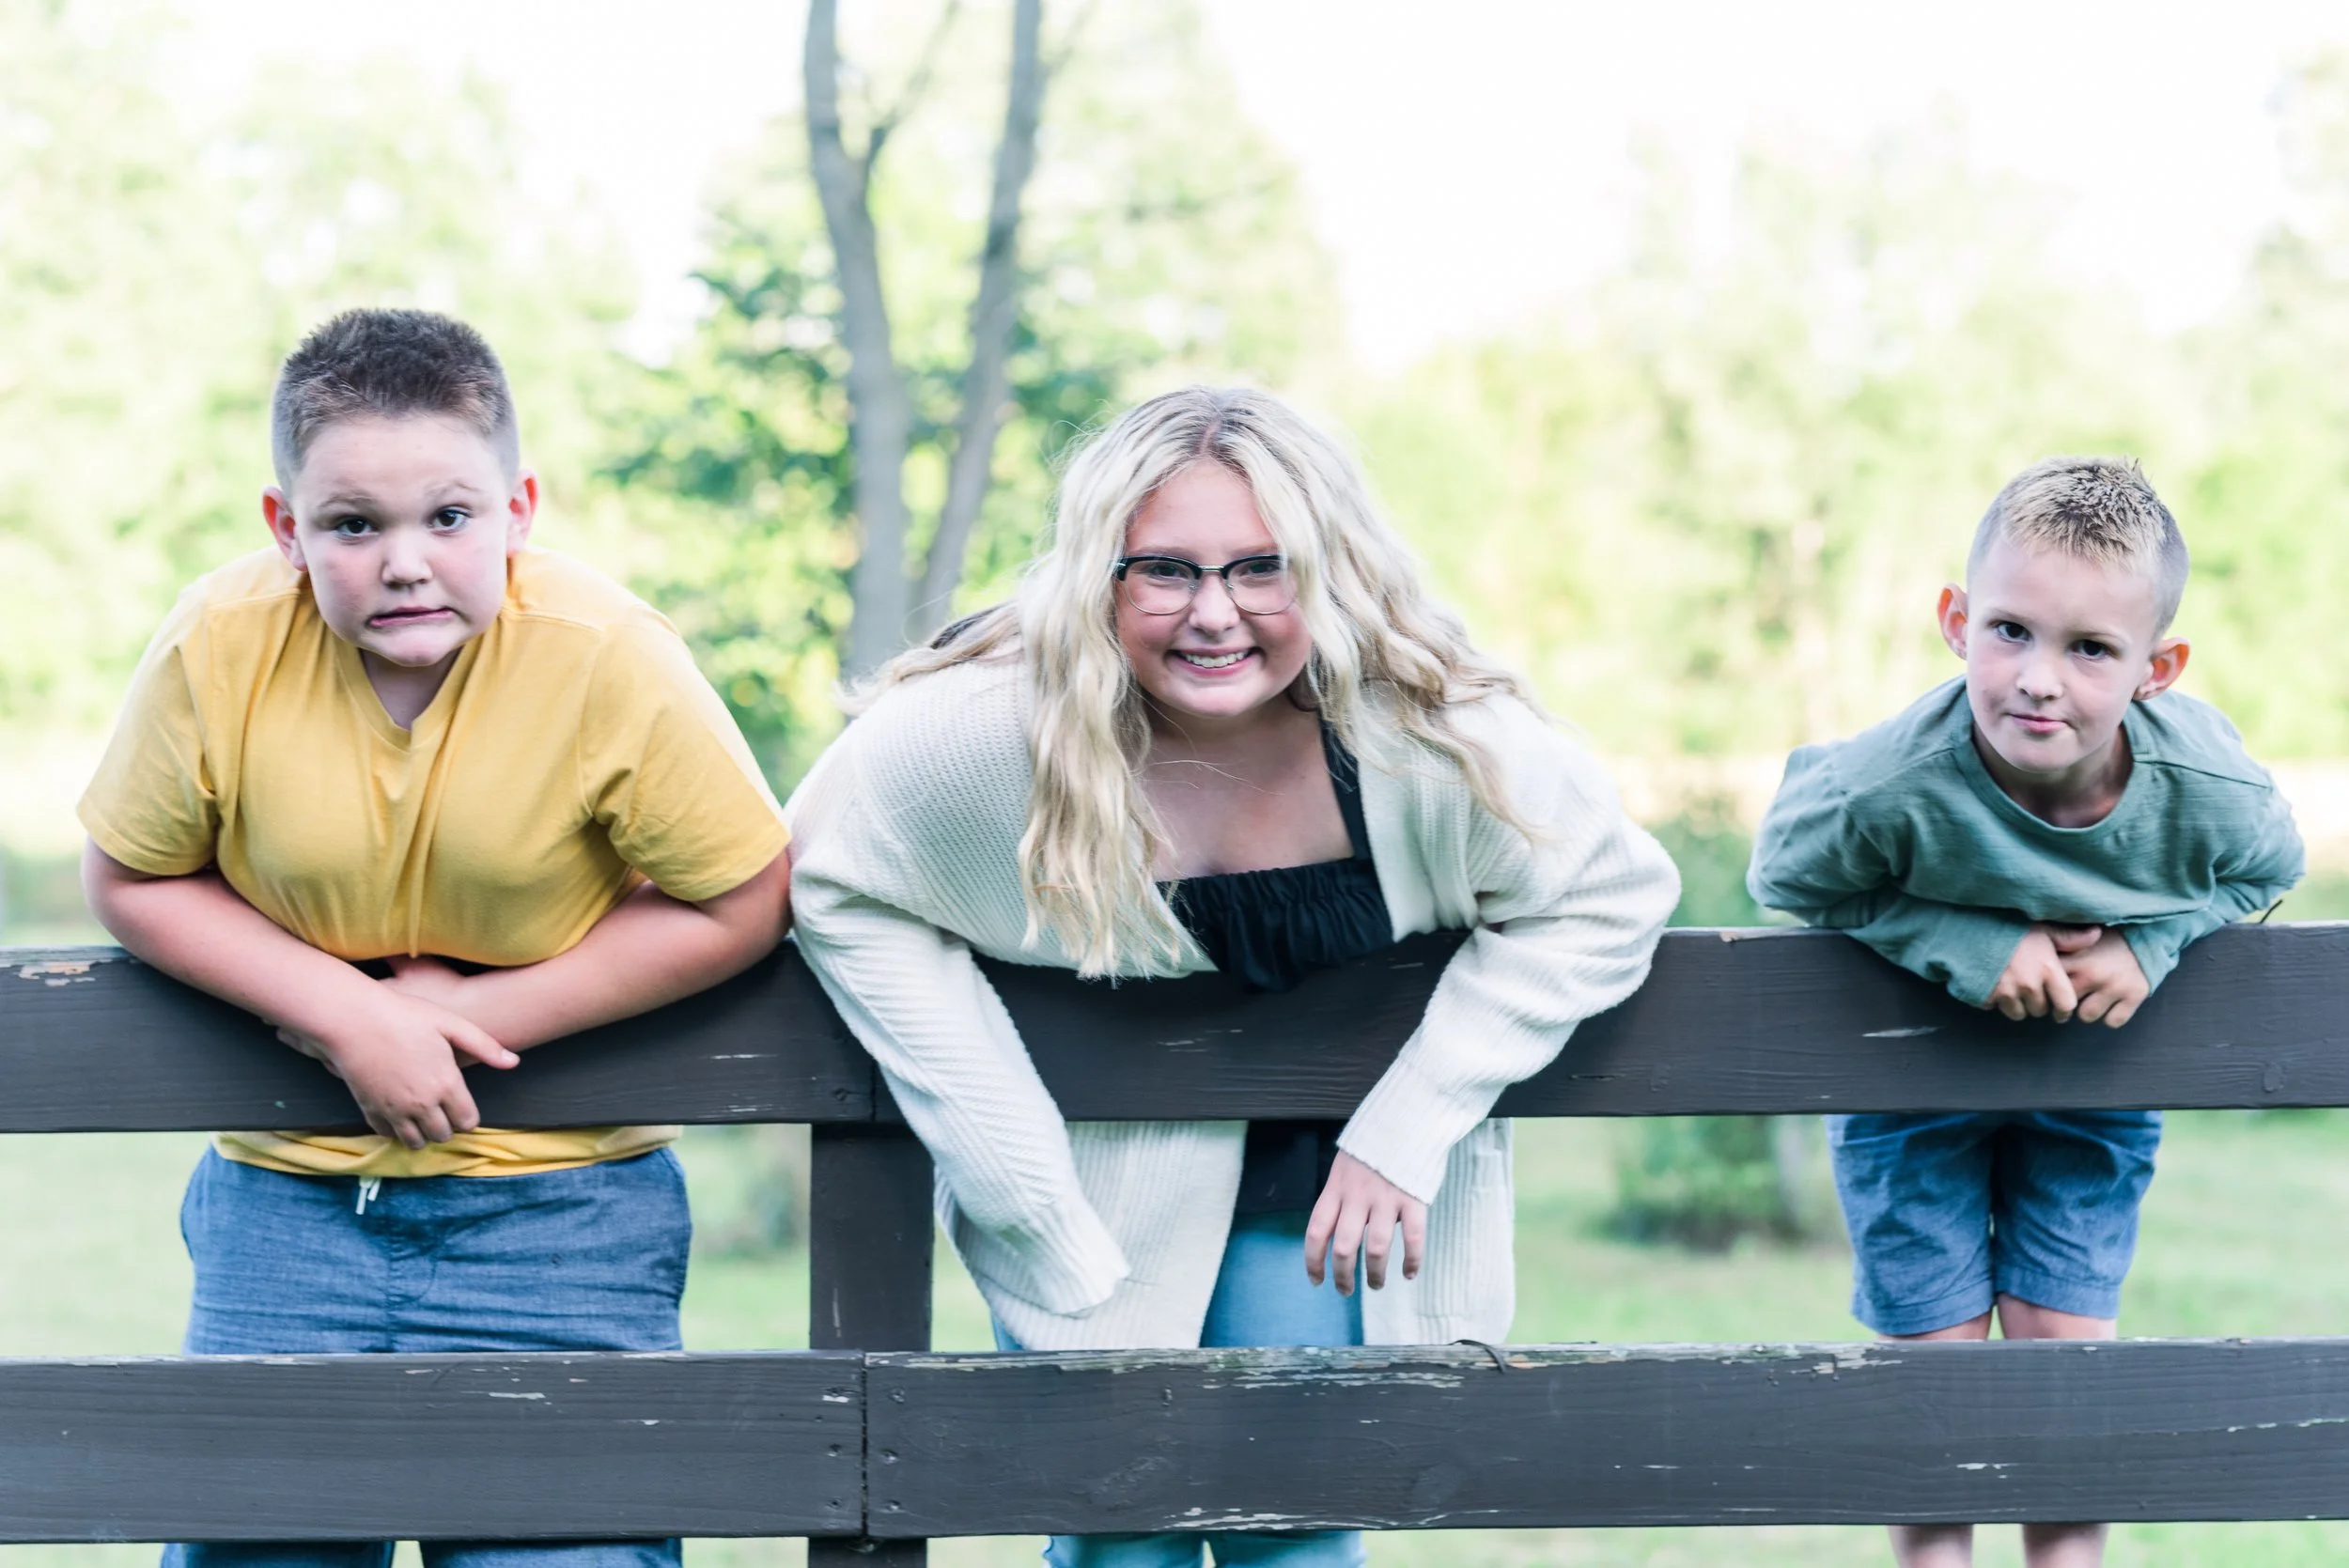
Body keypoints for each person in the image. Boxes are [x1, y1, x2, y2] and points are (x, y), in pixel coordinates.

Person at [786, 385, 1680, 1568]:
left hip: (1324, 1194)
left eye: (1264, 568)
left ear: (1331, 571)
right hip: (1096, 1185)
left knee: (1293, 1523)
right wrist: (1013, 1175)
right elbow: (825, 875)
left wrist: (1408, 1126)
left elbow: (1610, 893)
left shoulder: (1426, 737)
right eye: (1165, 570)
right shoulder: (990, 736)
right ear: (1097, 578)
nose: (1216, 614)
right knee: (1119, 1536)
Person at [79, 308, 792, 1568]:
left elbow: (742, 892)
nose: (406, 560)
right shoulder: (219, 641)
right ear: (287, 528)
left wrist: (468, 1026)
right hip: (287, 1209)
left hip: (565, 1215)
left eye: (449, 517)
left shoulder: (606, 657)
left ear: (519, 510)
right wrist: (349, 1017)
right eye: (354, 524)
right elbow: (135, 872)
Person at [1747, 456, 2303, 1568]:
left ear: (2158, 669)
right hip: (1909, 1090)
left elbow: (2267, 869)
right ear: (1956, 621)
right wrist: (1960, 942)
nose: (2038, 678)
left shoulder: (2211, 791)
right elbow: (1785, 872)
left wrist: (2152, 942)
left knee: (2062, 1362)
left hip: (2089, 1087)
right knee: (1936, 1381)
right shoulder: (1889, 783)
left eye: (2090, 648)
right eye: (2009, 631)